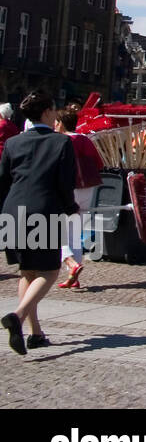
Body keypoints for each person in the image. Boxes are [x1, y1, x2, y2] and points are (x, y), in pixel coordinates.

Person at [1, 91, 78, 353]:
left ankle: (35, 334)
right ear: (46, 112)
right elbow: (65, 184)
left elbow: (3, 181)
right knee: (49, 272)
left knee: (27, 272)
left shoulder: (13, 143)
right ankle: (19, 316)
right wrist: (71, 208)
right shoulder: (61, 143)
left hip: (13, 210)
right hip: (43, 211)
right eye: (54, 109)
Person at [53, 107, 102, 289]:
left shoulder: (61, 140)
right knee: (76, 232)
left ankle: (71, 264)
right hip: (87, 189)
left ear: (61, 123)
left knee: (59, 231)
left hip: (68, 189)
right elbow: (98, 162)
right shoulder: (85, 139)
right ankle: (73, 277)